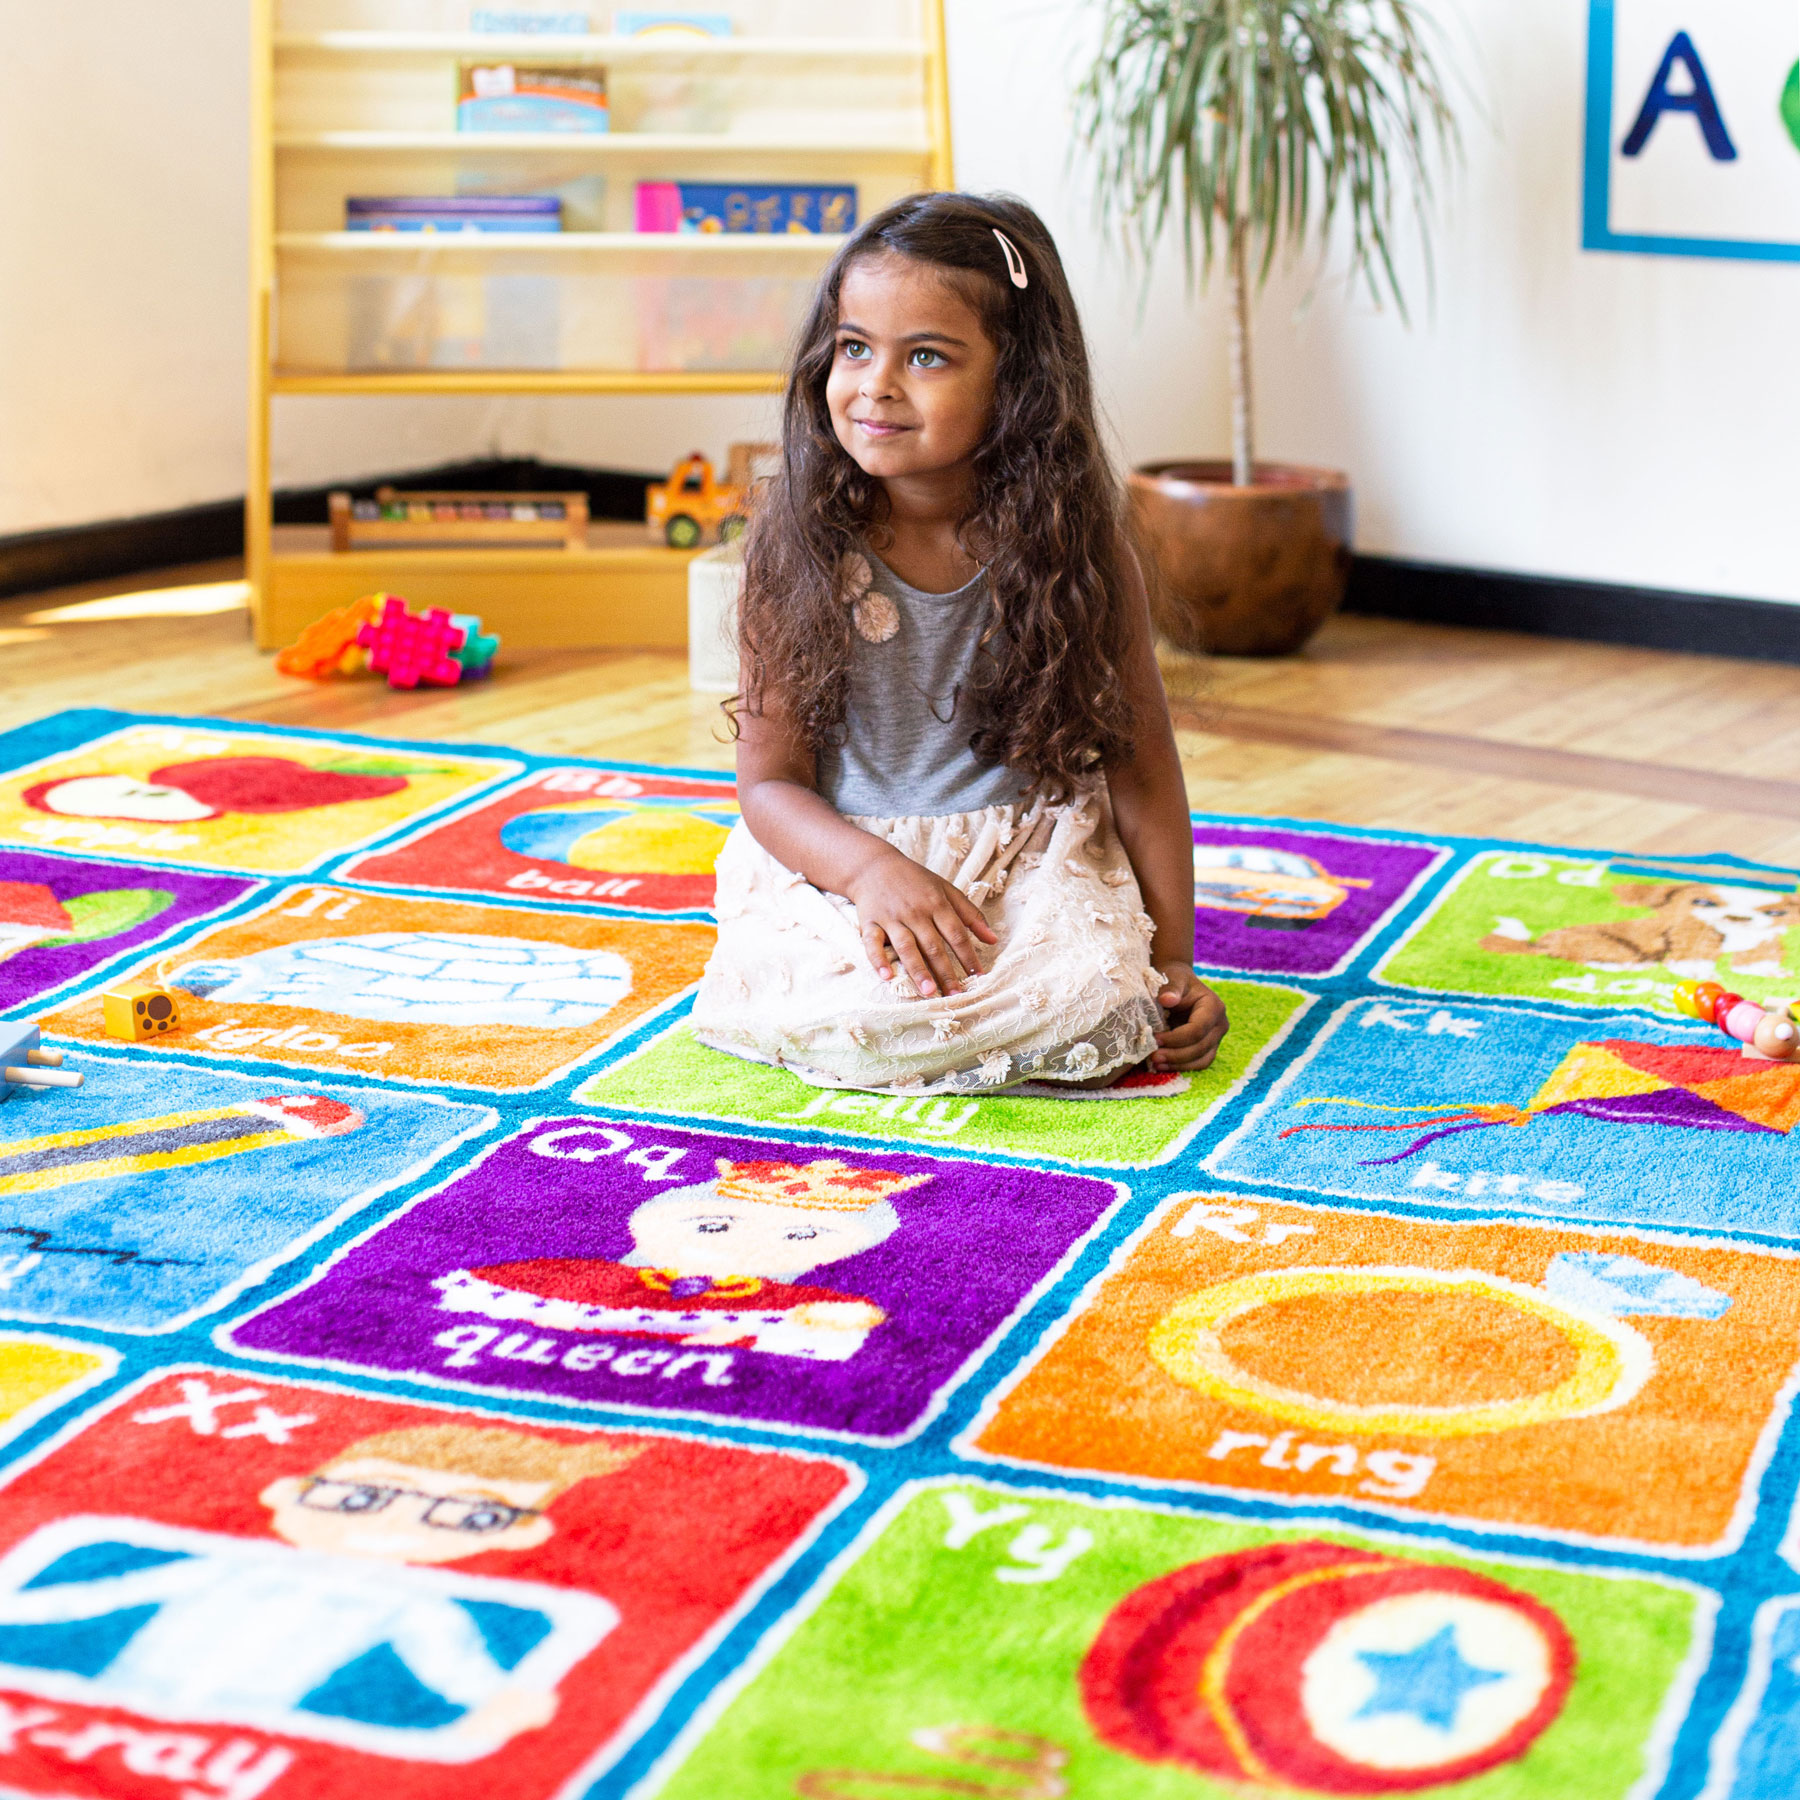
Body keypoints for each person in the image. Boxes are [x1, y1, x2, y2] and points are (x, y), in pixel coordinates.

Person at [689, 191, 1228, 1095]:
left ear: (1015, 382)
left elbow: (1141, 769)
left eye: (927, 356)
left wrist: (1170, 965)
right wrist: (871, 873)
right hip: (842, 860)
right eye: (855, 347)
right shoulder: (796, 538)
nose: (875, 385)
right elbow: (769, 785)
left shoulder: (1079, 548)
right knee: (836, 1007)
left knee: (1101, 1002)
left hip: (1023, 855)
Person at [0, 1425, 634, 1748]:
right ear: (284, 1491)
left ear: (521, 1534)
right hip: (128, 1701)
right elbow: (92, 1599)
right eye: (360, 1497)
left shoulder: (414, 1605)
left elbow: (451, 1667)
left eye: (472, 1514)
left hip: (246, 1718)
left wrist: (497, 1703)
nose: (393, 1519)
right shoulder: (230, 1564)